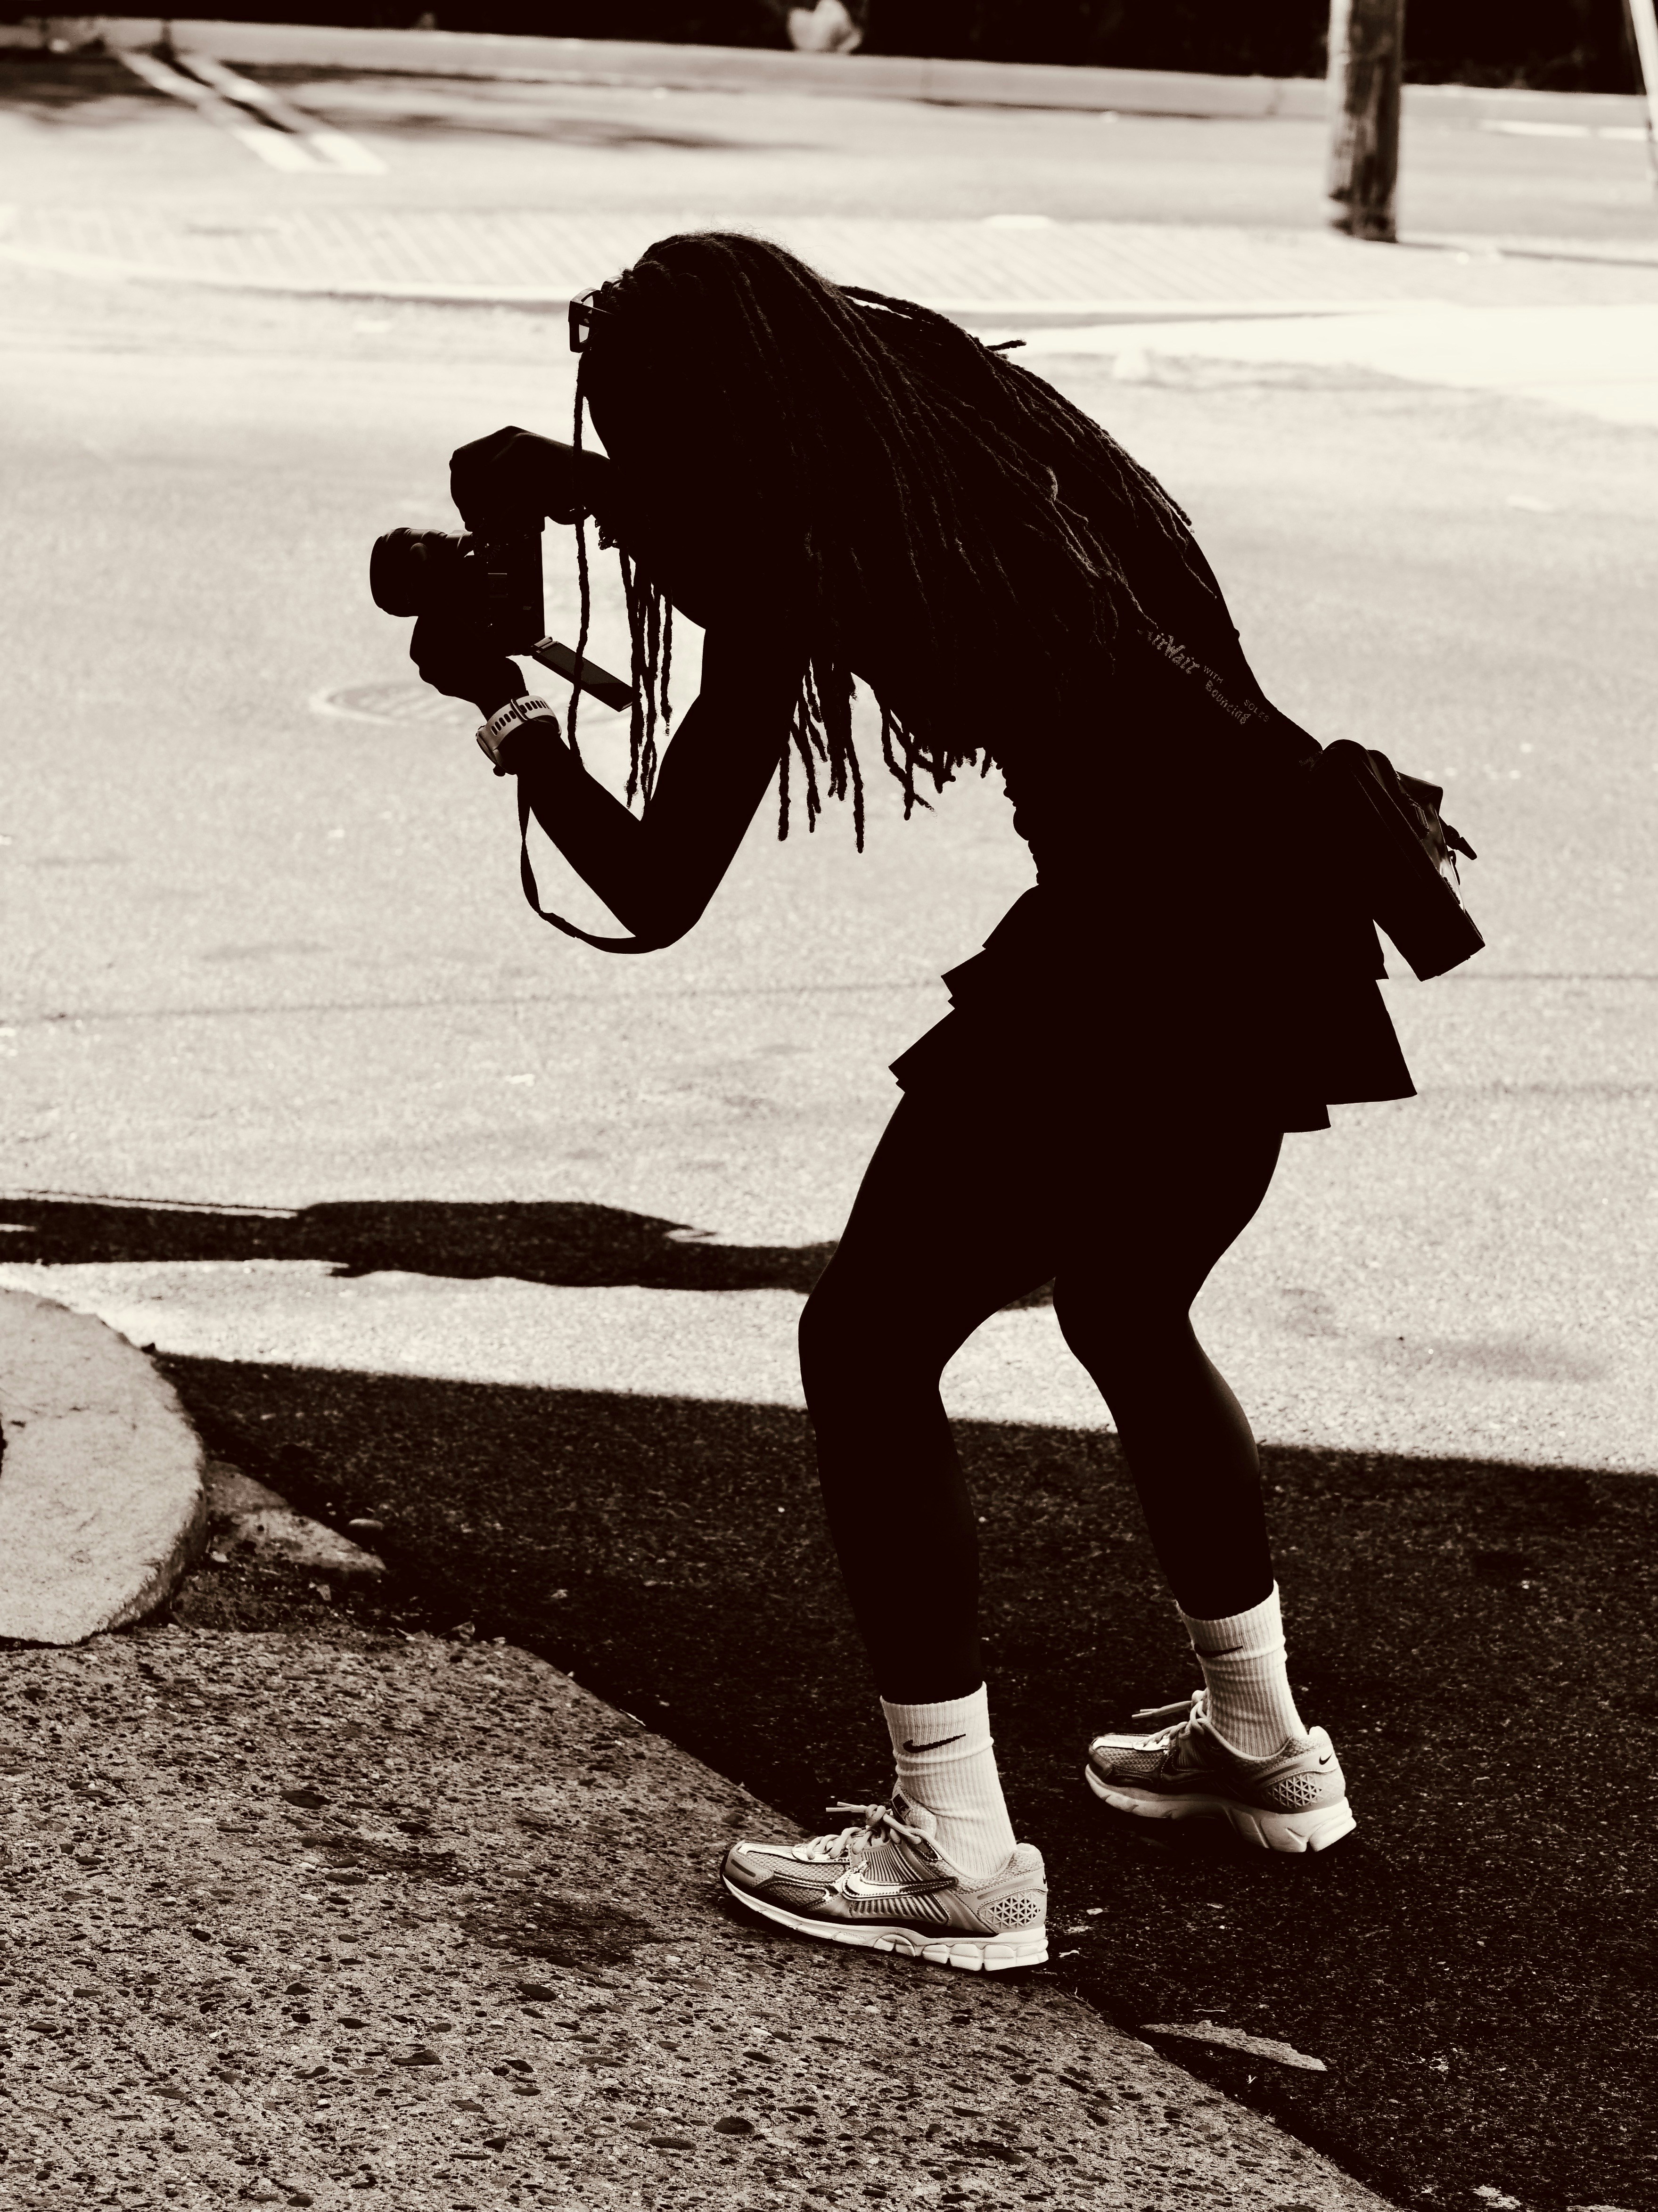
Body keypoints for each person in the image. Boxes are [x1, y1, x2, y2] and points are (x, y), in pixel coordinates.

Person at [410, 231, 1413, 1975]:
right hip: (1299, 887)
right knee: (1125, 1297)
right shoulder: (971, 424)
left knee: (866, 1345)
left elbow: (653, 887)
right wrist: (582, 488)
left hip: (1141, 942)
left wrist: (508, 714)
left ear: (716, 420)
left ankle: (956, 1849)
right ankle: (1263, 1744)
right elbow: (772, 514)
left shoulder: (797, 548)